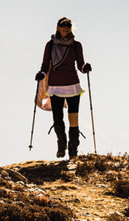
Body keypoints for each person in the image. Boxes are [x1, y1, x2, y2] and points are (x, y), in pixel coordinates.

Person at [35, 17, 92, 158]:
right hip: (55, 87)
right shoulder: (50, 45)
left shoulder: (76, 45)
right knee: (57, 118)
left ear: (71, 28)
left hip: (72, 86)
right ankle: (62, 145)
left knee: (73, 119)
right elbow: (44, 65)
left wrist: (85, 68)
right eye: (63, 25)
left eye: (68, 25)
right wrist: (41, 74)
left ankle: (73, 151)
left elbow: (80, 65)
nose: (65, 28)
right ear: (58, 28)